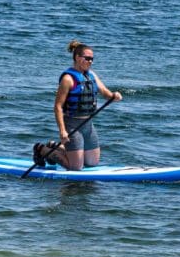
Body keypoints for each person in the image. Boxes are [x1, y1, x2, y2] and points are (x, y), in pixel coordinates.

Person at [34, 40, 122, 171]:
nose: (90, 61)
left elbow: (106, 93)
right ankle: (41, 149)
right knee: (75, 167)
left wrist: (114, 96)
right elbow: (58, 106)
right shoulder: (68, 79)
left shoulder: (91, 75)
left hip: (88, 125)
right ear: (77, 57)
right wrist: (62, 131)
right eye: (87, 58)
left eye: (92, 59)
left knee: (92, 163)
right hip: (72, 125)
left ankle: (54, 146)